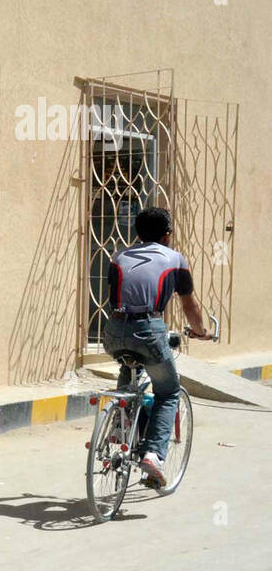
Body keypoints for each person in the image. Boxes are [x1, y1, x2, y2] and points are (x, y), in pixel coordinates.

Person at [104, 206, 213, 488]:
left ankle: (120, 424)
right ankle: (153, 454)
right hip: (149, 330)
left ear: (138, 233)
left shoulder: (119, 257)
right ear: (167, 236)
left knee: (128, 366)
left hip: (114, 330)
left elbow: (113, 297)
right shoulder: (175, 260)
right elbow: (189, 305)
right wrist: (201, 331)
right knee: (168, 391)